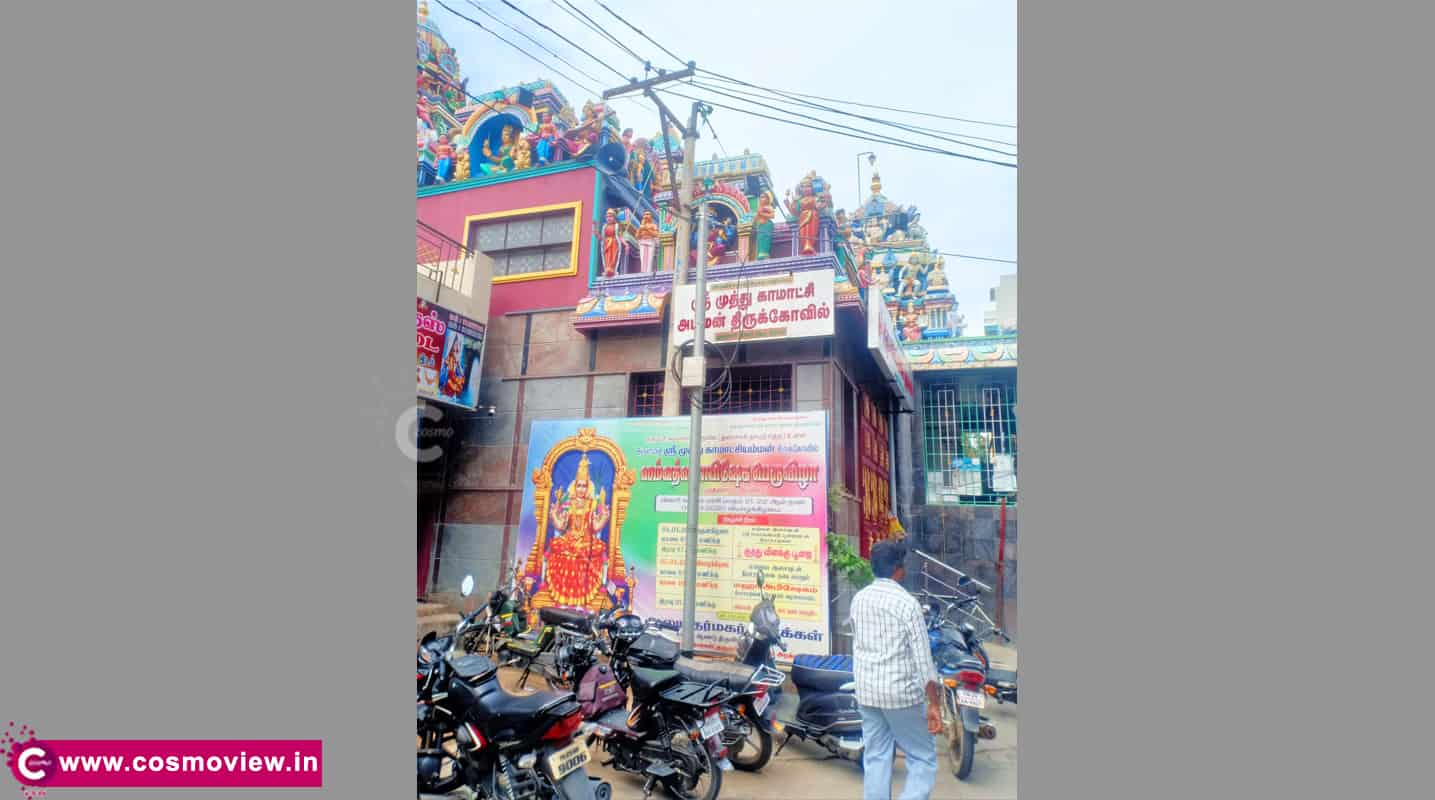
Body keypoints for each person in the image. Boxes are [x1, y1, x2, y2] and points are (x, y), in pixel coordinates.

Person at [849, 539, 941, 800]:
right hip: (901, 695)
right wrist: (934, 704)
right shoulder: (907, 604)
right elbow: (923, 661)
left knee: (877, 756)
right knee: (922, 757)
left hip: (867, 692)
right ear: (899, 569)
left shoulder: (859, 599)